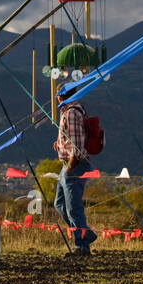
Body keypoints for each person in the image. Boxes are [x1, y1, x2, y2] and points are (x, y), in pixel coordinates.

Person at [52, 89, 96, 255]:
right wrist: (60, 144)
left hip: (74, 165)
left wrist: (71, 164)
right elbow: (73, 137)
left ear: (63, 95)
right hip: (69, 165)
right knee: (60, 204)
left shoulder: (71, 113)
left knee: (73, 207)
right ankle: (86, 233)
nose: (56, 97)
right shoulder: (72, 111)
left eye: (57, 93)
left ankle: (82, 246)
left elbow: (77, 144)